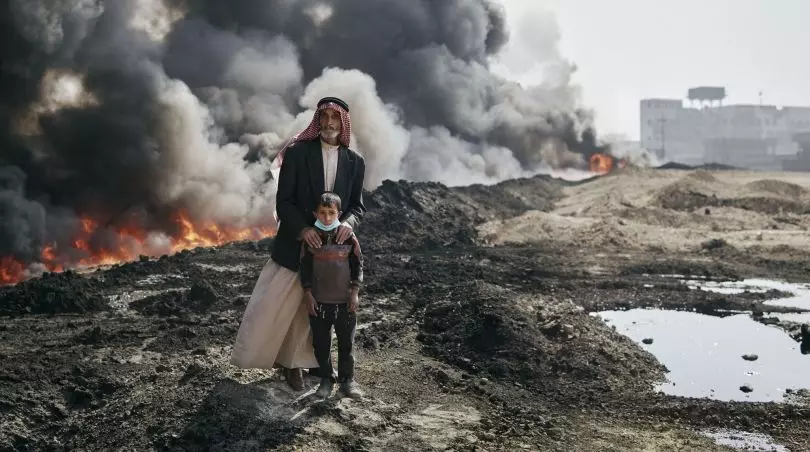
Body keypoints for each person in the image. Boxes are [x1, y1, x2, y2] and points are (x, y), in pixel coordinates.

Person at [231, 97, 367, 391]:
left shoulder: (355, 162)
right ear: (317, 120)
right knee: (285, 304)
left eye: (335, 117)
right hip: (296, 246)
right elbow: (285, 201)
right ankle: (289, 363)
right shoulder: (297, 153)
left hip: (334, 255)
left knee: (322, 309)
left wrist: (346, 225)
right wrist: (303, 230)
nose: (329, 123)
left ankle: (314, 363)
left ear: (343, 122)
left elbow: (356, 207)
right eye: (324, 116)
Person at [300, 192, 364, 399]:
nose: (327, 218)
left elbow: (358, 266)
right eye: (322, 213)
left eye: (331, 213)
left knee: (346, 344)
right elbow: (304, 269)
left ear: (339, 213)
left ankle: (347, 381)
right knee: (321, 344)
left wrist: (354, 292)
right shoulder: (311, 239)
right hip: (319, 303)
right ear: (315, 214)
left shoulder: (348, 236)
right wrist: (308, 294)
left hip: (345, 303)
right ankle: (326, 380)